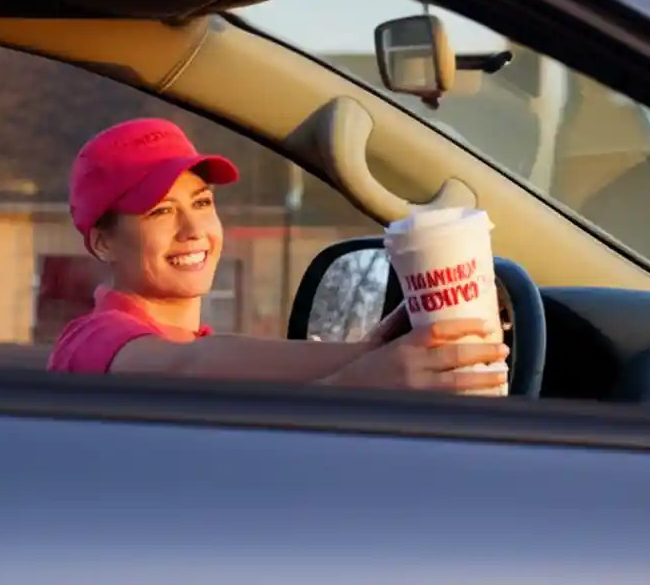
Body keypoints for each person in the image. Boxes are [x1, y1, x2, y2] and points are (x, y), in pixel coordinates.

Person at [49, 118, 509, 393]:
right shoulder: (91, 342)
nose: (193, 231)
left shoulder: (203, 350)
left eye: (203, 203)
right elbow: (188, 365)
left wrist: (370, 352)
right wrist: (361, 377)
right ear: (103, 242)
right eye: (161, 211)